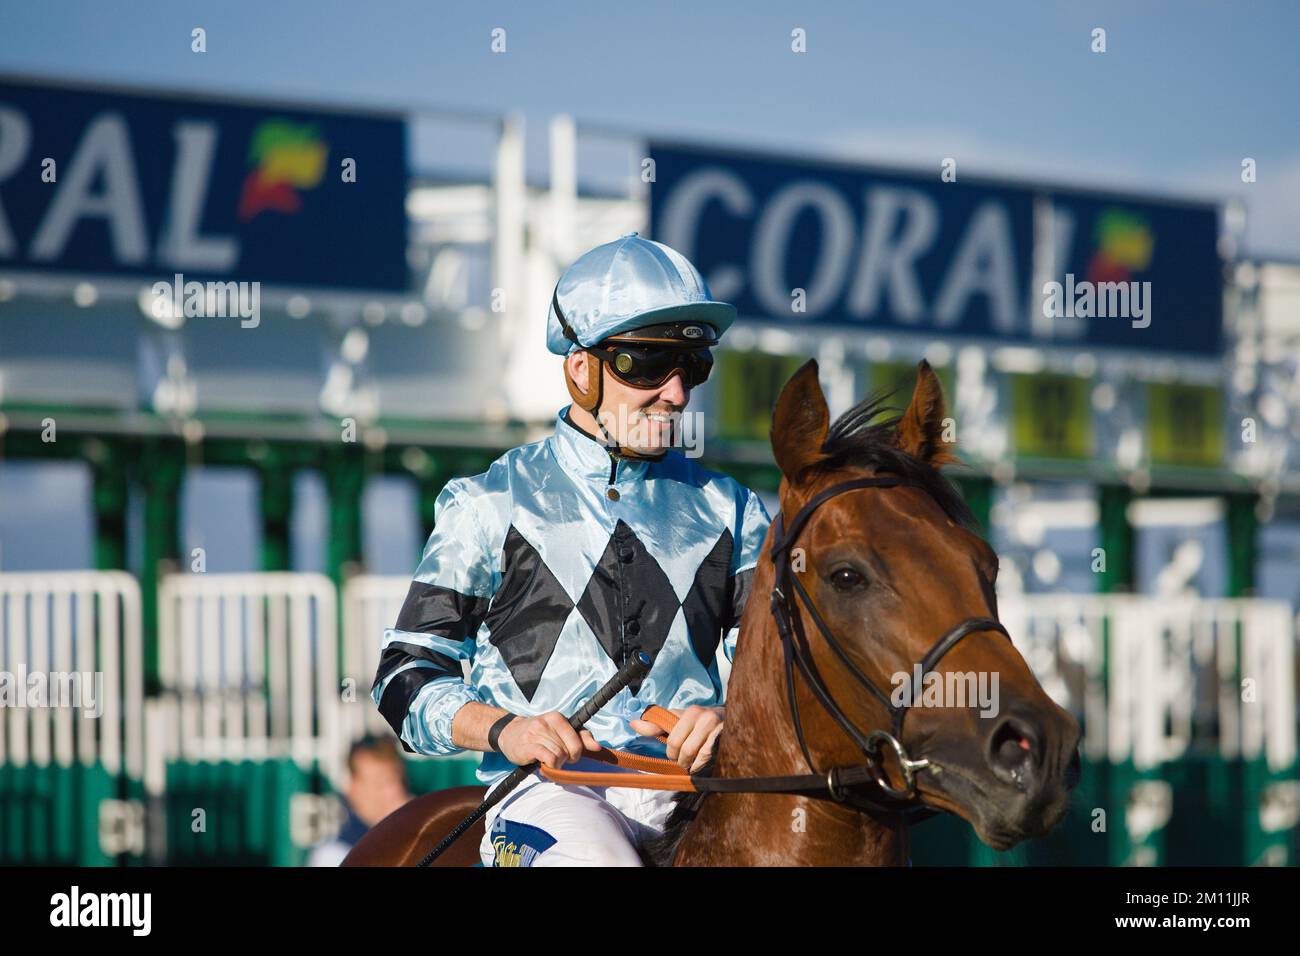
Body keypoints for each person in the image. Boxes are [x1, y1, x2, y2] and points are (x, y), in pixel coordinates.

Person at [371, 233, 771, 866]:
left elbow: (779, 672)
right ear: (580, 368)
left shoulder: (734, 509)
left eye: (692, 366)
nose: (676, 393)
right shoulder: (488, 502)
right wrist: (508, 729)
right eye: (646, 364)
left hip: (697, 789)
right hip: (551, 791)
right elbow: (404, 677)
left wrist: (728, 714)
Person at [307, 735, 412, 866]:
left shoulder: (419, 835)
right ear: (352, 789)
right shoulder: (335, 855)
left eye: (398, 780)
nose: (395, 791)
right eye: (380, 783)